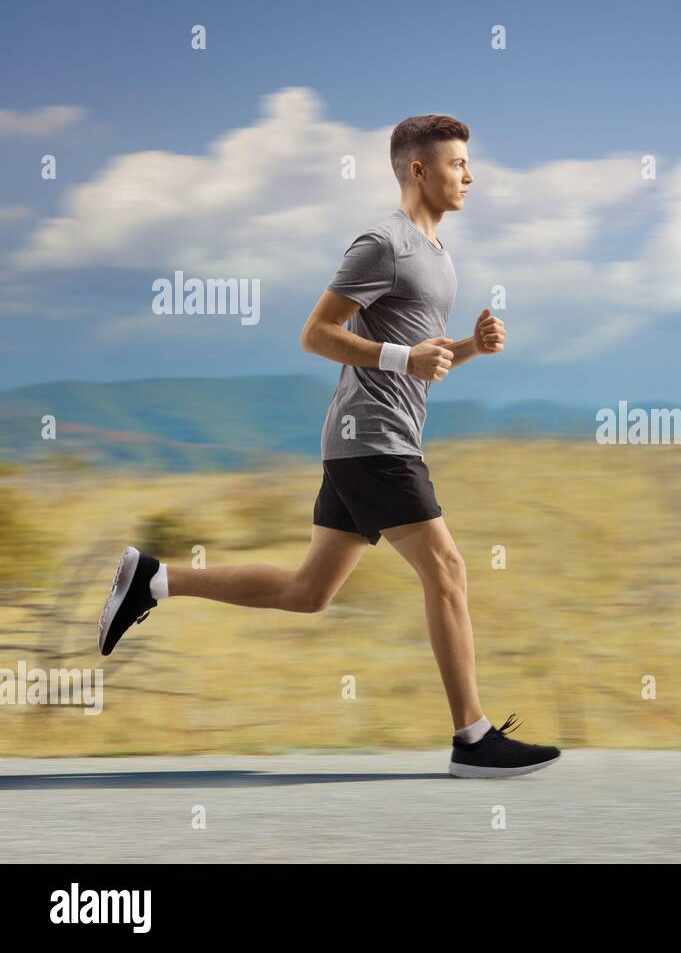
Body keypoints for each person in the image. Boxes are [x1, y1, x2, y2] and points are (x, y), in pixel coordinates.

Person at [97, 113, 561, 778]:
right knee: (449, 571)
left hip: (371, 440)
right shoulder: (384, 244)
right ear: (419, 171)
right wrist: (403, 358)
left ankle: (155, 578)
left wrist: (467, 349)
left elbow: (421, 360)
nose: (471, 175)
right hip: (374, 441)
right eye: (458, 164)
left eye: (469, 163)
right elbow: (315, 334)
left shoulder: (436, 258)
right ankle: (473, 739)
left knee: (308, 591)